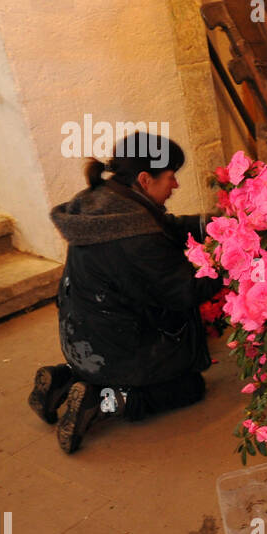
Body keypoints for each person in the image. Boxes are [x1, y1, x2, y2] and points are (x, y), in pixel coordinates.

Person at [31, 132, 223, 453]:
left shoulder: (103, 200)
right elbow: (184, 292)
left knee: (106, 360)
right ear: (145, 179)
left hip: (79, 338)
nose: (175, 185)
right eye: (171, 176)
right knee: (189, 387)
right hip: (117, 347)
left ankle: (64, 379)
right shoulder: (136, 235)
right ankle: (105, 401)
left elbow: (164, 227)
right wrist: (238, 260)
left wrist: (218, 224)